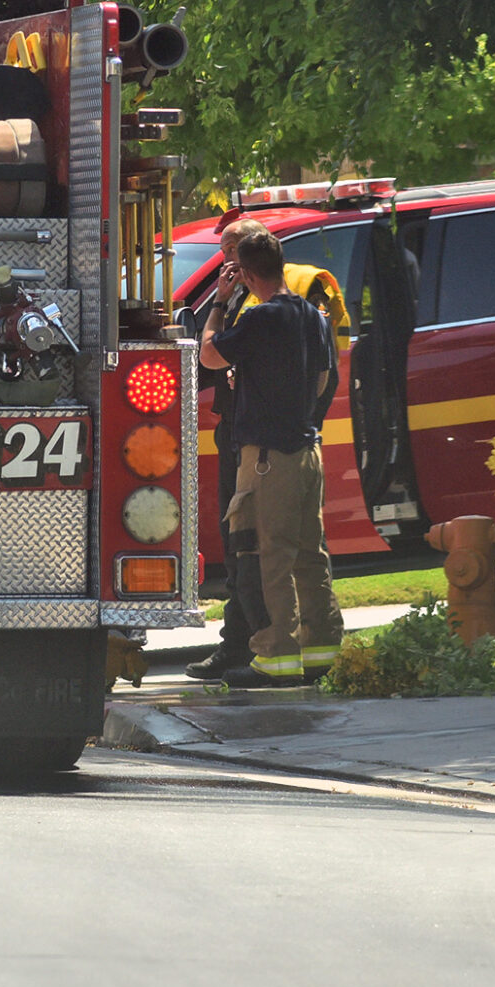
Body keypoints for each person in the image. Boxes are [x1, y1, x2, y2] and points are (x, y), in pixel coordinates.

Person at [198, 229, 343, 685]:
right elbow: (321, 379)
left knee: (268, 555)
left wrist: (220, 303)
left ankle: (275, 658)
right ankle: (320, 651)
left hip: (266, 457)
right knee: (309, 554)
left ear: (243, 272)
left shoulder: (259, 318)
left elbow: (209, 356)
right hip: (307, 450)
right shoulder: (313, 316)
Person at [183, 218, 274, 680]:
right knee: (234, 541)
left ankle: (248, 646)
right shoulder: (234, 295)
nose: (227, 259)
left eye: (234, 248)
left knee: (250, 544)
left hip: (257, 434)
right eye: (223, 249)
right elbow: (205, 357)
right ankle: (236, 644)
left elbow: (215, 354)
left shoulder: (268, 301)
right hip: (233, 428)